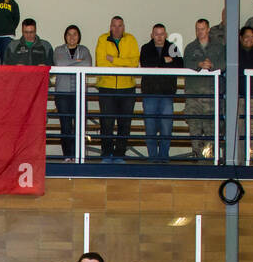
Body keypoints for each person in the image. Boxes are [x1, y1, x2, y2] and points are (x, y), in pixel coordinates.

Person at [92, 16, 139, 162]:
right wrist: (123, 63)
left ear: (124, 27)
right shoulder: (102, 39)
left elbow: (134, 63)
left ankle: (119, 155)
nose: (117, 28)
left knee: (124, 123)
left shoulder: (131, 39)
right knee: (107, 123)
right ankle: (106, 154)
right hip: (107, 87)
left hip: (127, 88)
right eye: (114, 25)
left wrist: (113, 60)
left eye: (120, 26)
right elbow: (101, 63)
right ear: (110, 26)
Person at [139, 24, 181, 161]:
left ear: (166, 34)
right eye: (156, 34)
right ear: (152, 35)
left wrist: (157, 63)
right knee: (150, 128)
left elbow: (180, 64)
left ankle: (164, 157)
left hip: (167, 93)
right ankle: (152, 158)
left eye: (162, 33)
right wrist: (164, 60)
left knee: (166, 128)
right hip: (150, 93)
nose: (159, 36)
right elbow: (146, 63)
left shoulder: (173, 48)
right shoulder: (146, 48)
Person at [183, 19, 223, 159]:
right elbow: (186, 63)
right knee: (194, 126)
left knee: (211, 127)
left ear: (208, 29)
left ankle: (209, 157)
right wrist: (199, 64)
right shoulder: (190, 47)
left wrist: (212, 65)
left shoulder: (218, 47)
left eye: (202, 28)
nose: (200, 32)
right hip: (193, 92)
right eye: (197, 29)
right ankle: (196, 155)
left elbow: (224, 63)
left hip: (211, 93)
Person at [53, 25, 92, 160]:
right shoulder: (58, 50)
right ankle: (67, 156)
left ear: (79, 36)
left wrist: (69, 63)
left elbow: (87, 65)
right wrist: (77, 62)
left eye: (75, 34)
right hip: (63, 94)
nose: (72, 37)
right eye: (69, 34)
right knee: (65, 125)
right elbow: (60, 63)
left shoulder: (85, 50)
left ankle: (77, 155)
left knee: (80, 126)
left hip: (80, 93)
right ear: (65, 36)